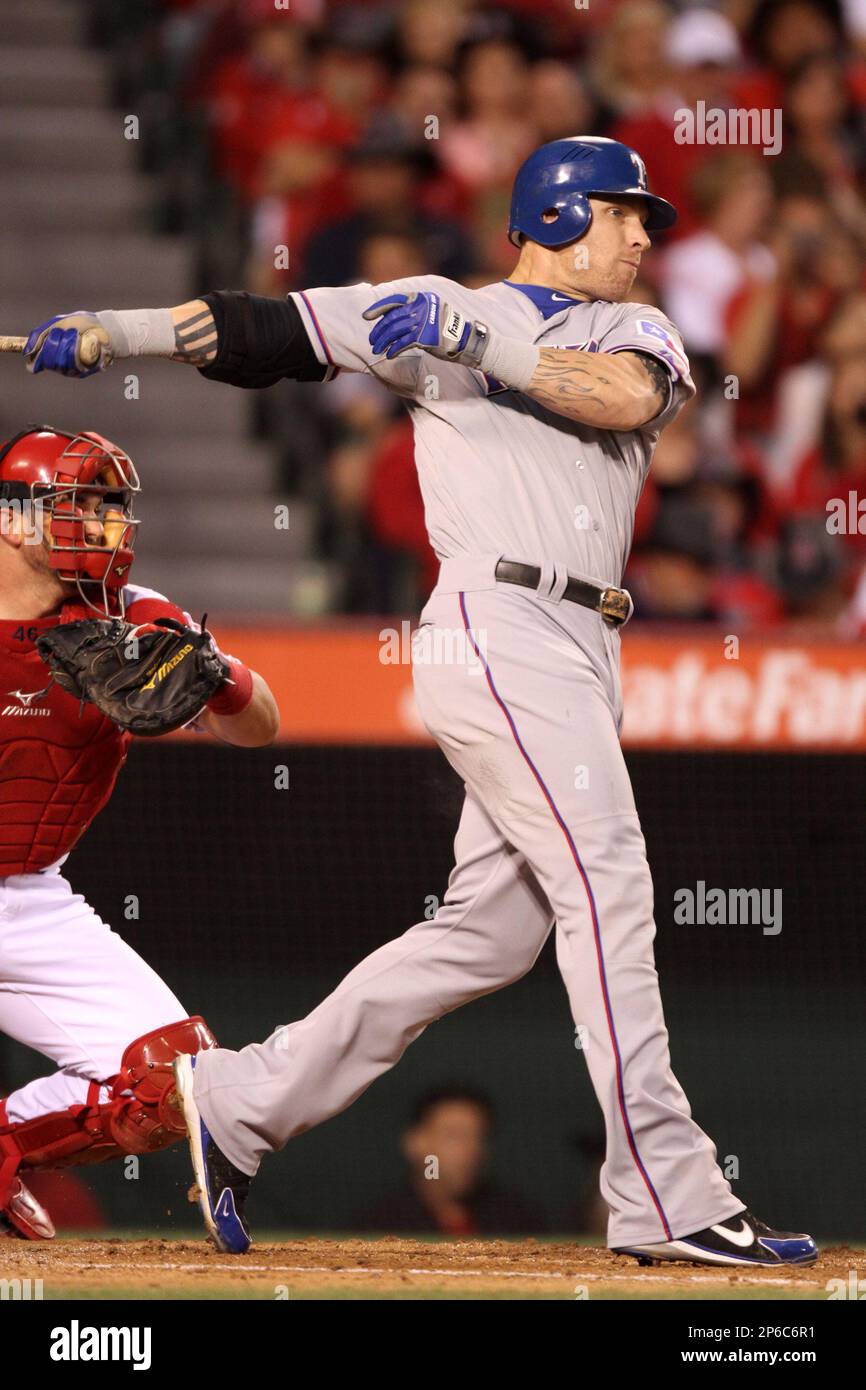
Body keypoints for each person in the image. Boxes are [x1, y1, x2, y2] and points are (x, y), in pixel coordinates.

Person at [23, 136, 817, 1270]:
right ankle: (665, 1192)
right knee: (610, 886)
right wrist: (116, 334)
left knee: (489, 933)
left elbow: (612, 395)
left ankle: (238, 1103)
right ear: (554, 213)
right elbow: (259, 328)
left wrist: (474, 339)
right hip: (497, 623)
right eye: (622, 213)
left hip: (581, 637)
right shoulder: (426, 304)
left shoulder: (624, 328)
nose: (645, 235)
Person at [0, 425, 278, 1239]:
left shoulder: (133, 618)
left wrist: (215, 675)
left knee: (177, 1083)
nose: (106, 530)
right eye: (79, 508)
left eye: (112, 511)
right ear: (14, 519)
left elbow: (262, 727)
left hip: (26, 898)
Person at [361, 1086, 545, 1237]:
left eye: (478, 1137)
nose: (469, 1149)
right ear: (416, 1142)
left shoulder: (515, 1220)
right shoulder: (380, 1226)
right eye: (454, 1136)